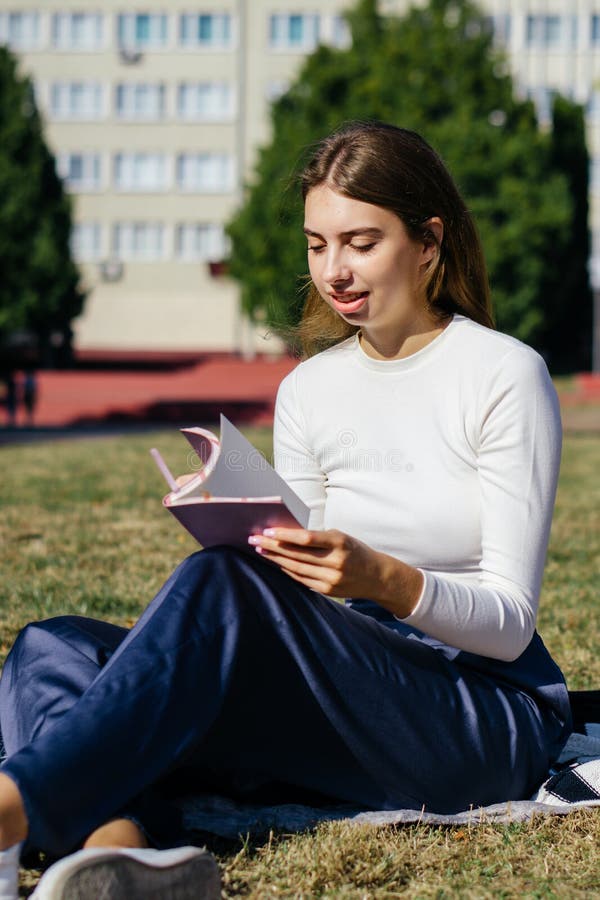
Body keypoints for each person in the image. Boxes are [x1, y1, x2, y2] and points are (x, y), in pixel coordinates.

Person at [0, 121, 572, 899]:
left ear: (429, 242)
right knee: (52, 646)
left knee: (222, 583)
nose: (334, 270)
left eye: (361, 243)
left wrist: (381, 579)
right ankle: (118, 849)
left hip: (479, 710)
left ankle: (14, 808)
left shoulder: (504, 375)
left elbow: (509, 623)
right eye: (317, 245)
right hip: (348, 683)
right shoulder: (309, 388)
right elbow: (294, 594)